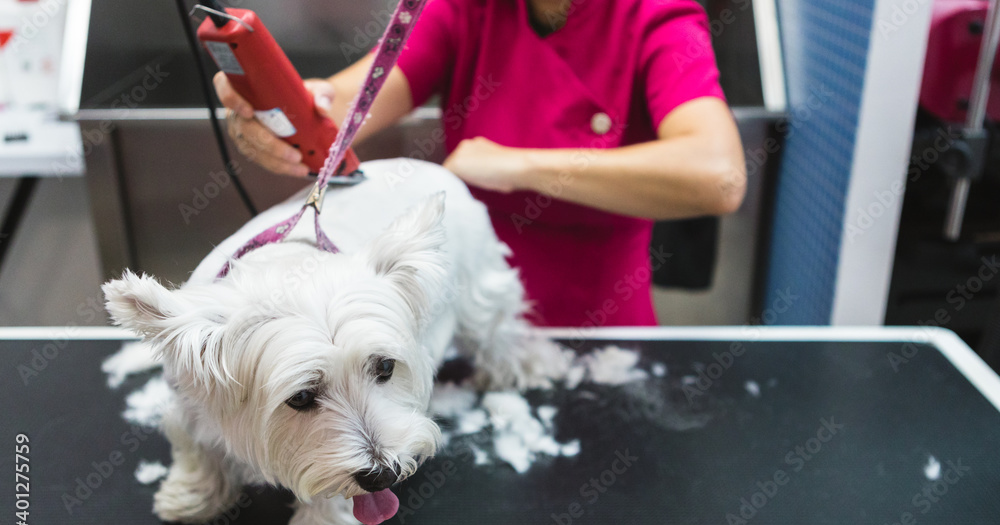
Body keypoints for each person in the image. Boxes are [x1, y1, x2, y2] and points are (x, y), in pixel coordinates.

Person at [215, 0, 747, 327]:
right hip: (467, 314)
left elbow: (716, 176)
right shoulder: (465, 8)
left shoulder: (656, 14)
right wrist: (280, 107)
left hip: (599, 322)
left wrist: (514, 166)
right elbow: (347, 108)